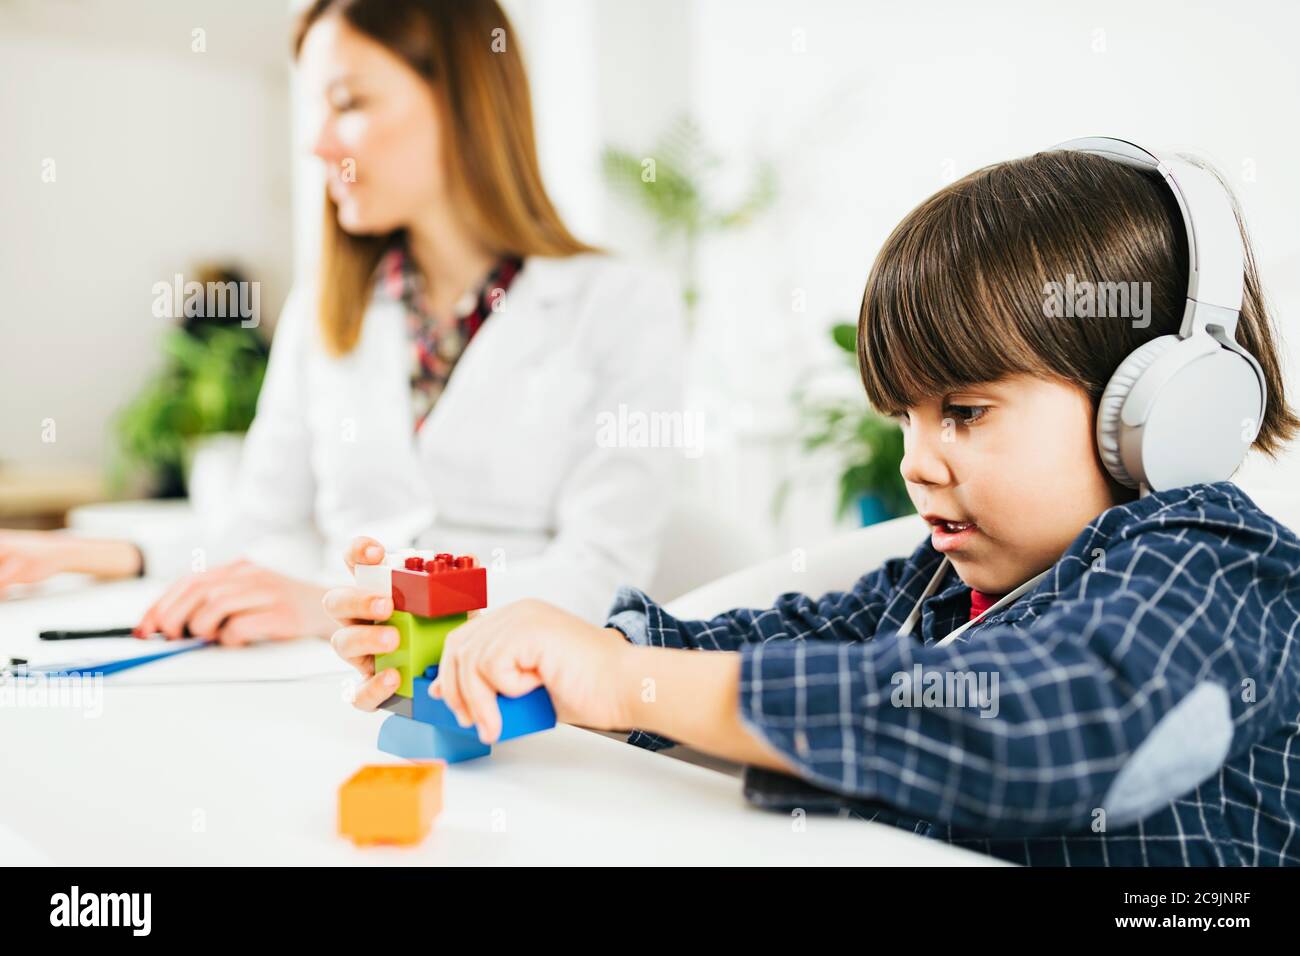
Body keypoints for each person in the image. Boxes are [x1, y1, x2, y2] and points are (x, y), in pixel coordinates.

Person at [326, 142, 1300, 866]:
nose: (918, 462)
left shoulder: (1213, 563)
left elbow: (1048, 710)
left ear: (1160, 410)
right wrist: (526, 653)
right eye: (905, 418)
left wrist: (621, 683)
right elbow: (751, 650)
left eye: (964, 411)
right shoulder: (933, 586)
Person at [0, 0, 685, 643]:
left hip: (521, 697)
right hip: (325, 682)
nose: (318, 144)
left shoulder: (622, 304)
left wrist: (338, 607)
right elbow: (262, 525)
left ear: (463, 102)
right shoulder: (329, 304)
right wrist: (82, 553)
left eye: (348, 103)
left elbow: (598, 582)